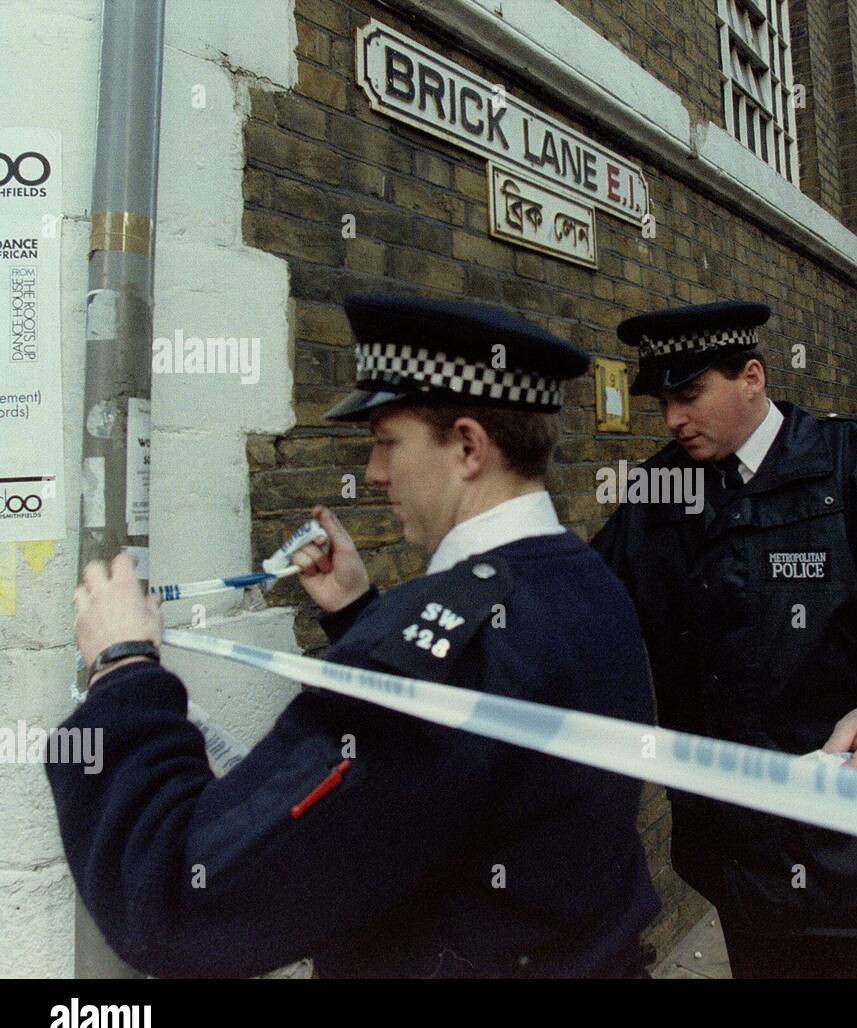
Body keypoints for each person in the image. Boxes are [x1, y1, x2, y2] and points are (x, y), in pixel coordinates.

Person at [48, 295, 660, 978]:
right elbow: (467, 777)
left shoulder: (443, 652)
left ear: (466, 446)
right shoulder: (585, 577)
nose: (373, 472)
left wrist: (124, 673)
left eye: (386, 441)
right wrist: (360, 611)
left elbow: (171, 903)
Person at [592, 300, 857, 979]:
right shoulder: (660, 493)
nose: (674, 419)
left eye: (689, 395)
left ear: (753, 377)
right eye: (663, 402)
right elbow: (590, 602)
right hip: (744, 866)